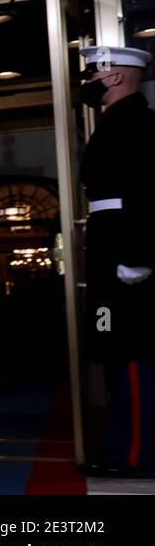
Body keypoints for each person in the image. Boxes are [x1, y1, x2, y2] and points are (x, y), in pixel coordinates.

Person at [79, 45, 155, 475]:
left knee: (132, 355)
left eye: (94, 74)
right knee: (113, 351)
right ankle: (119, 447)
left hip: (128, 261)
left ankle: (136, 454)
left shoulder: (140, 125)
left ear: (114, 77)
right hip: (110, 256)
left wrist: (140, 257)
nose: (90, 82)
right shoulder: (115, 123)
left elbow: (148, 193)